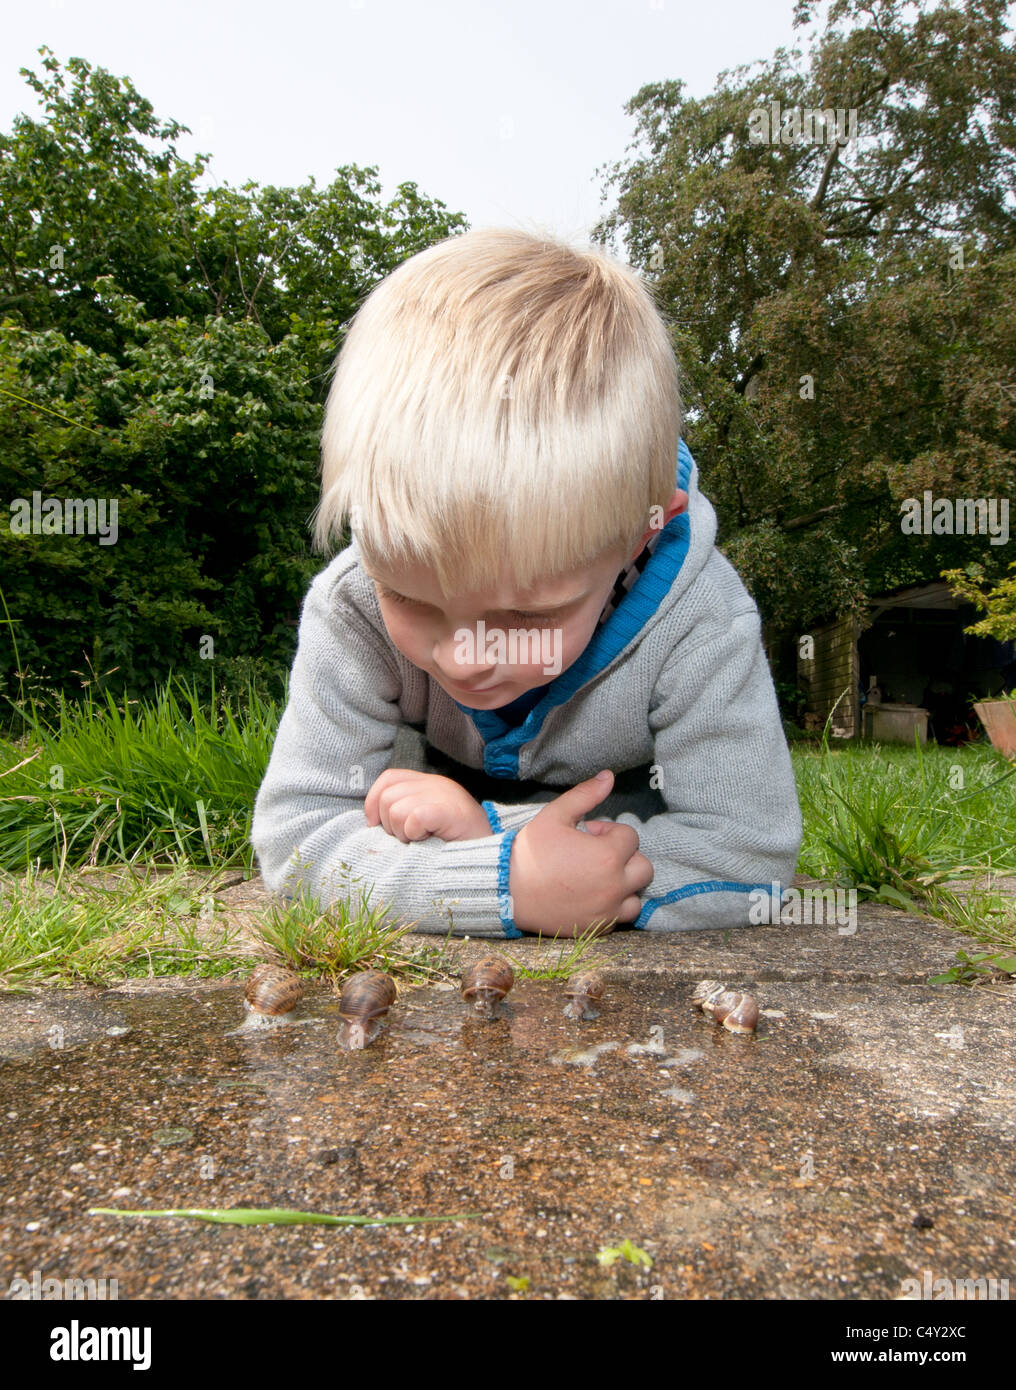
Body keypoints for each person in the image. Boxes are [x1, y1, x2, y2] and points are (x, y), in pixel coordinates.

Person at [251, 228, 802, 938]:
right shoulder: (352, 604)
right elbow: (299, 838)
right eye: (410, 597)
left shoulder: (702, 618)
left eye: (524, 613)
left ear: (641, 534)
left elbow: (745, 851)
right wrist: (502, 883)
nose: (463, 657)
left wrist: (492, 837)